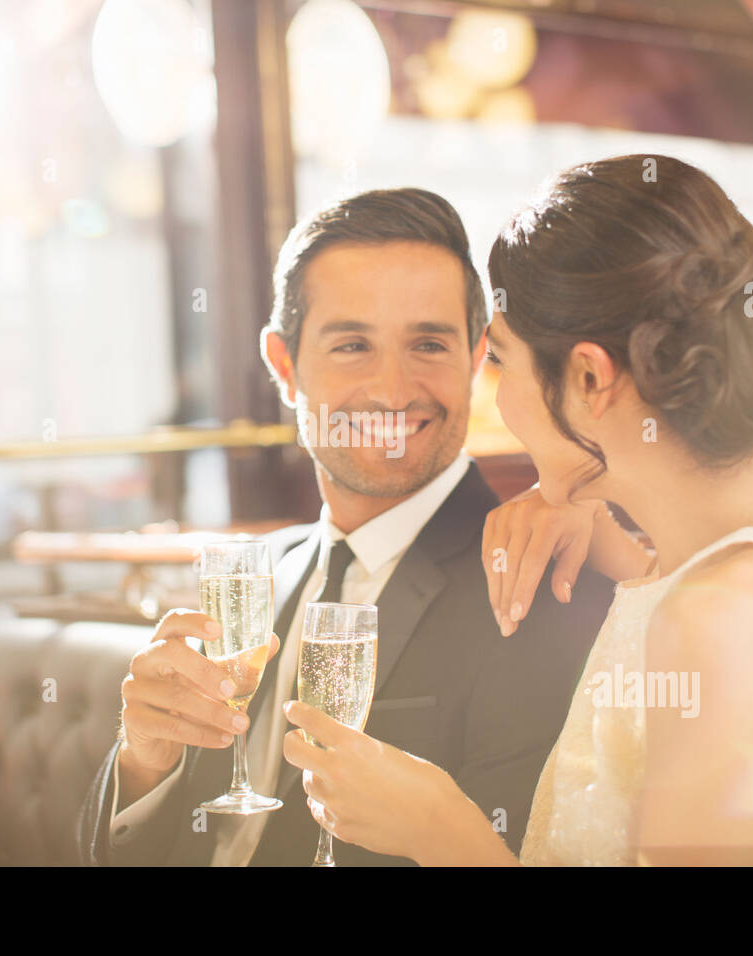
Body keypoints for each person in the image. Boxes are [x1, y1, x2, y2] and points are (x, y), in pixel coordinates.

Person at [282, 155, 753, 866]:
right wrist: (597, 514)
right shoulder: (714, 576)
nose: (498, 401)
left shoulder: (734, 625)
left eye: (502, 364)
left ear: (587, 377)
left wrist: (446, 836)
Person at [76, 186, 626, 866]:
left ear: (477, 357)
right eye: (352, 345)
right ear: (284, 365)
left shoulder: (544, 581)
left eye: (427, 343)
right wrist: (145, 765)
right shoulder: (256, 576)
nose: (393, 390)